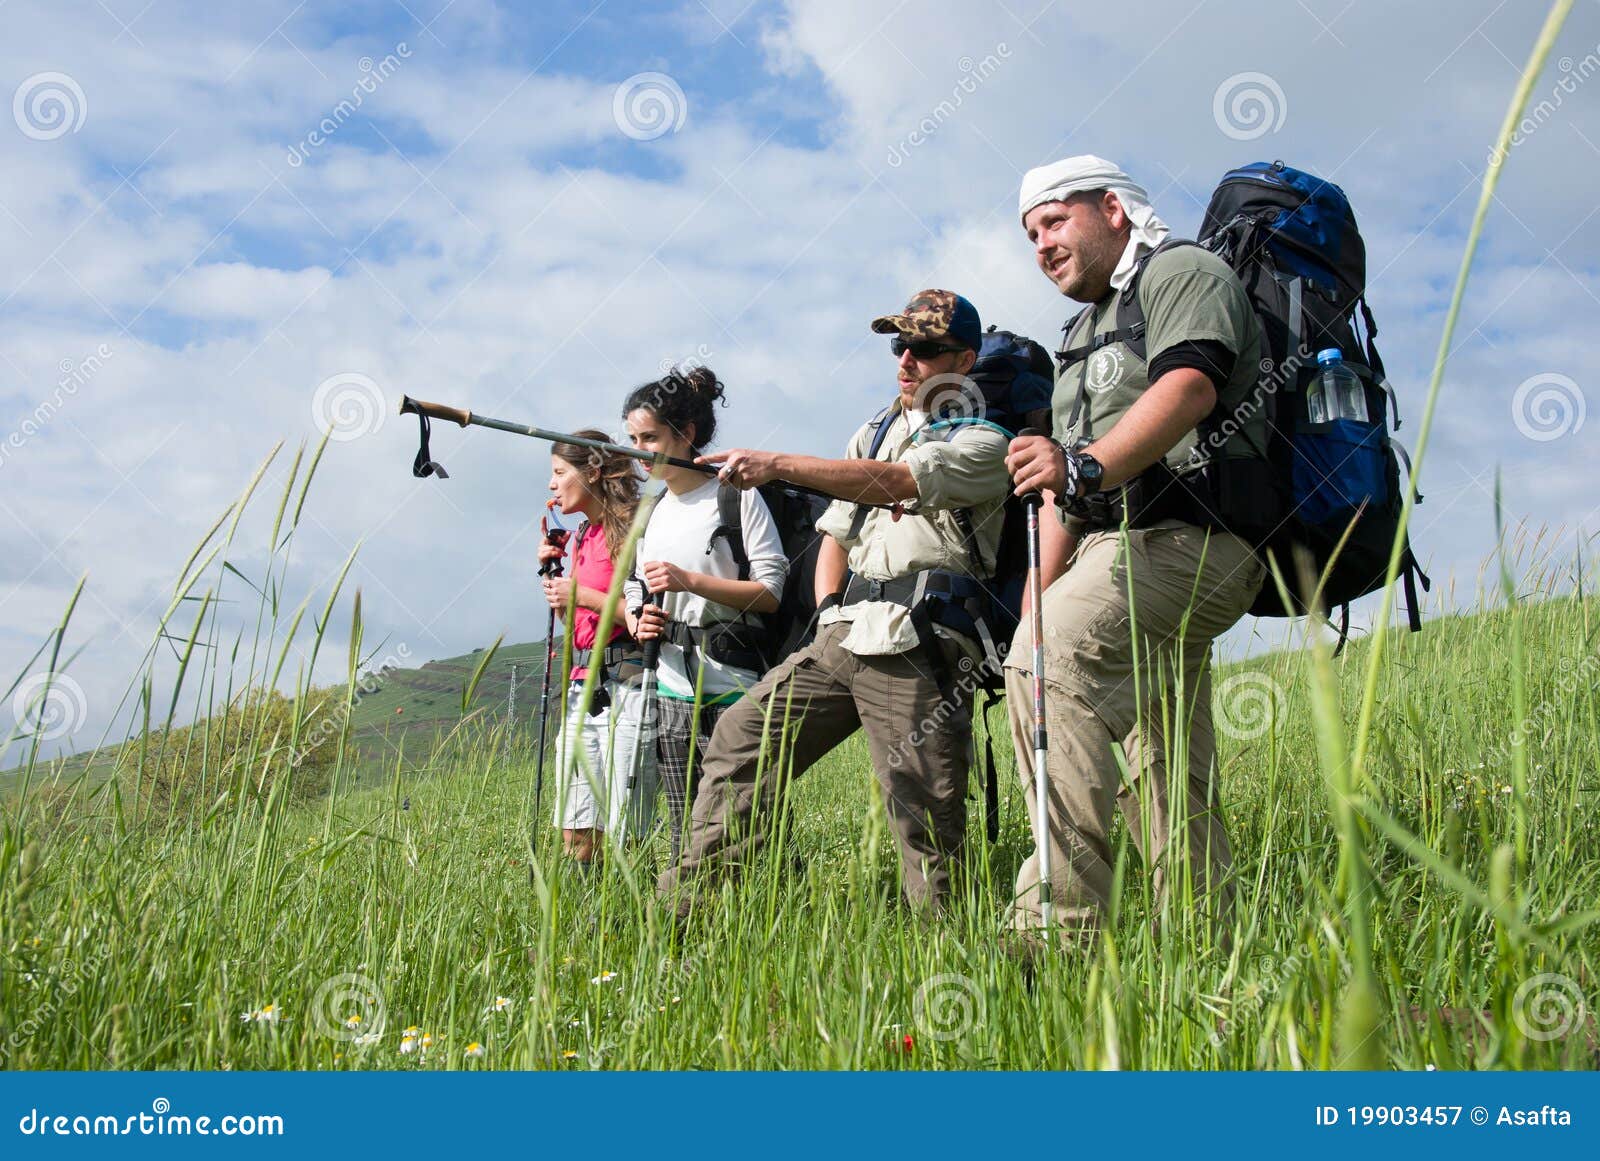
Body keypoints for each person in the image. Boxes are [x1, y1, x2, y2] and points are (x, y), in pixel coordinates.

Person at [656, 290, 1010, 915]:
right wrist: (825, 615)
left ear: (964, 358)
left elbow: (900, 483)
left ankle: (951, 953)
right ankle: (686, 920)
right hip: (843, 633)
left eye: (924, 349)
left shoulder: (984, 440)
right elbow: (836, 535)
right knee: (740, 740)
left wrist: (778, 465)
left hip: (919, 642)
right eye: (899, 345)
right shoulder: (873, 431)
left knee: (919, 805)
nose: (905, 359)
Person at [1003, 155, 1269, 946]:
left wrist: (1082, 463)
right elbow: (1063, 495)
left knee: (1048, 671)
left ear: (1113, 208)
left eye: (1054, 221)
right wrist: (1032, 608)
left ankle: (1061, 935)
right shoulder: (1079, 335)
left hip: (1194, 539)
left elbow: (1191, 387)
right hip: (1120, 553)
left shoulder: (1183, 269)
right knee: (1168, 755)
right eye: (1030, 234)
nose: (1042, 244)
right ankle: (1202, 950)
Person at [620, 365, 790, 864]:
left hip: (735, 681)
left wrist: (689, 581)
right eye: (632, 437)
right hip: (672, 684)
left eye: (649, 437)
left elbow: (771, 591)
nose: (640, 449)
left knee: (747, 820)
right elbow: (635, 584)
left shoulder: (736, 497)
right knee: (684, 822)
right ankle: (688, 921)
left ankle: (766, 910)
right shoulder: (650, 510)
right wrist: (636, 618)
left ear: (686, 434)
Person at [540, 431, 657, 867]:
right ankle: (587, 920)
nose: (552, 485)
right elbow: (577, 628)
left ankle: (633, 912)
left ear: (592, 471)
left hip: (628, 682)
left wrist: (582, 595)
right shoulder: (584, 536)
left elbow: (641, 614)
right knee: (573, 823)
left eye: (558, 472)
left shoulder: (632, 526)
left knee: (626, 824)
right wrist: (551, 579)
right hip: (580, 685)